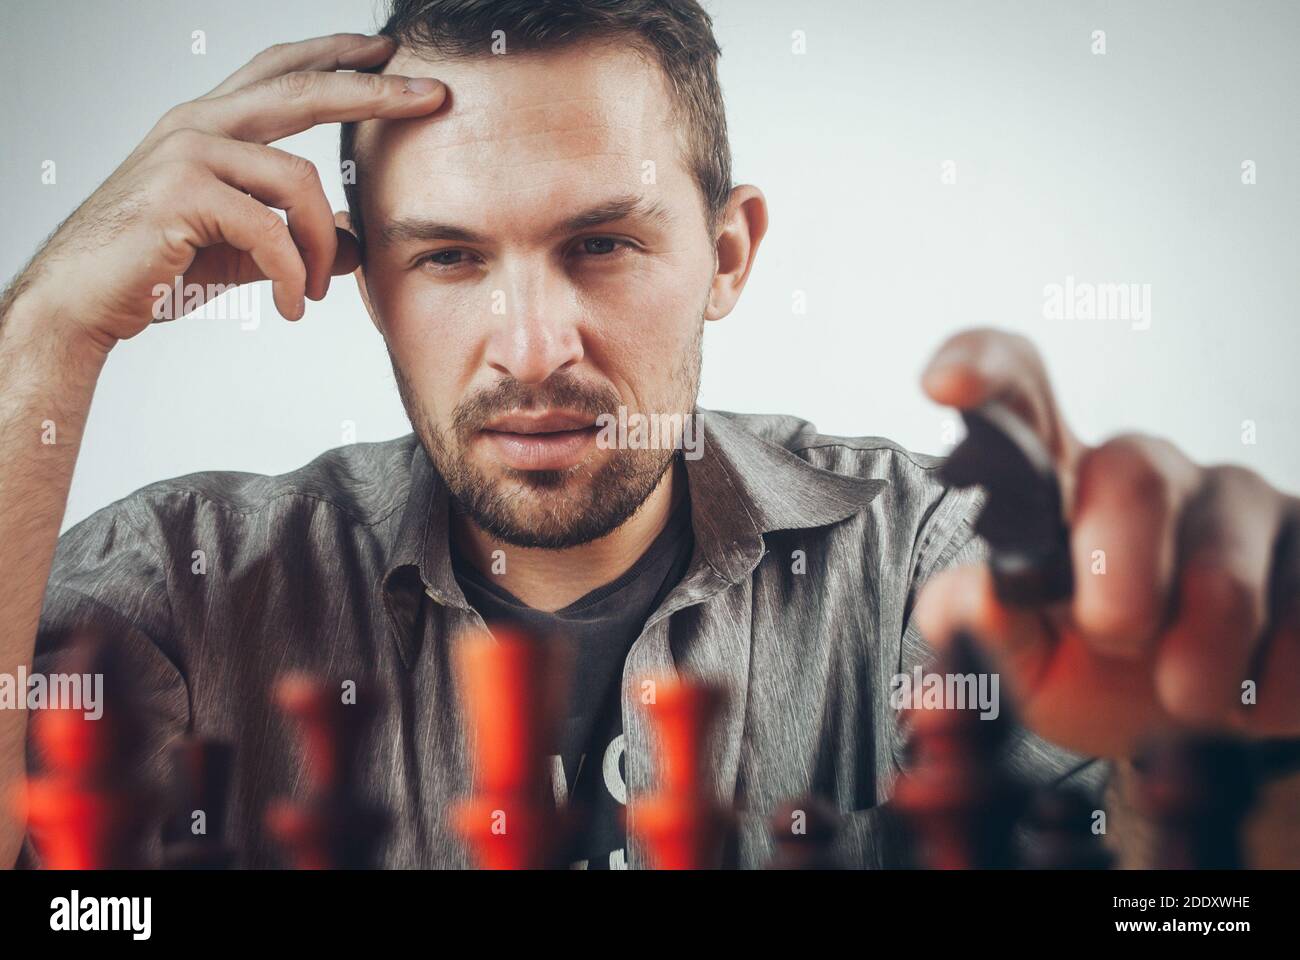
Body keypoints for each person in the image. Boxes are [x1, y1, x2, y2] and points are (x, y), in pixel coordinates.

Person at [1, 0, 1296, 870]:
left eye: (602, 243)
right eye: (449, 257)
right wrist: (44, 337)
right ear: (370, 280)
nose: (533, 346)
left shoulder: (926, 567)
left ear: (728, 254)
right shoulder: (186, 586)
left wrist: (1230, 742)